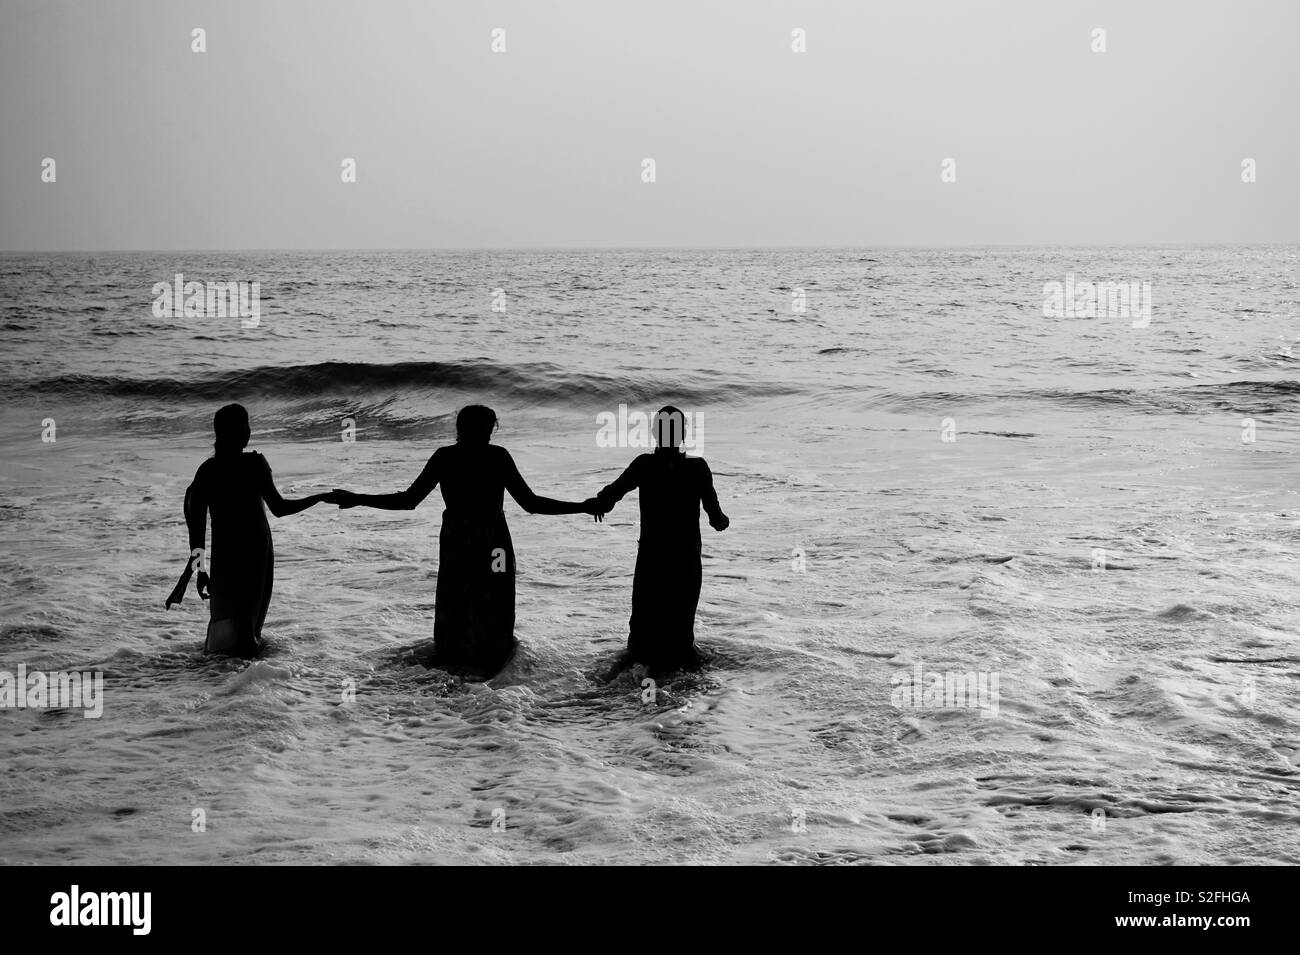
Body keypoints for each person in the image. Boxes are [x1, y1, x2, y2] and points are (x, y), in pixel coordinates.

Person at [329, 405, 602, 678]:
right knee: (495, 600)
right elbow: (530, 503)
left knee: (455, 600)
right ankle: (492, 668)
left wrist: (359, 498)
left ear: (459, 428)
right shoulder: (497, 456)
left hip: (457, 541)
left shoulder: (445, 457)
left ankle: (451, 666)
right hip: (494, 543)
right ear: (490, 428)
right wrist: (581, 506)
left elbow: (408, 500)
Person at [176, 403, 329, 656]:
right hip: (255, 553)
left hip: (226, 557)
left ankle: (224, 678)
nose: (249, 432)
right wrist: (318, 497)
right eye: (245, 426)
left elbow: (197, 527)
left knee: (225, 623)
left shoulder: (208, 470)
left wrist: (200, 569)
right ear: (238, 432)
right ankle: (244, 679)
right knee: (249, 620)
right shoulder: (255, 464)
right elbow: (279, 508)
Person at [594, 406, 729, 675]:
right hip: (685, 557)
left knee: (643, 626)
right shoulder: (697, 468)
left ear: (655, 432)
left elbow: (611, 495)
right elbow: (717, 519)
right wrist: (724, 520)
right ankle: (683, 680)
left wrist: (599, 503)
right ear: (683, 434)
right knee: (680, 625)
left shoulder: (644, 464)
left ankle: (631, 677)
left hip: (652, 557)